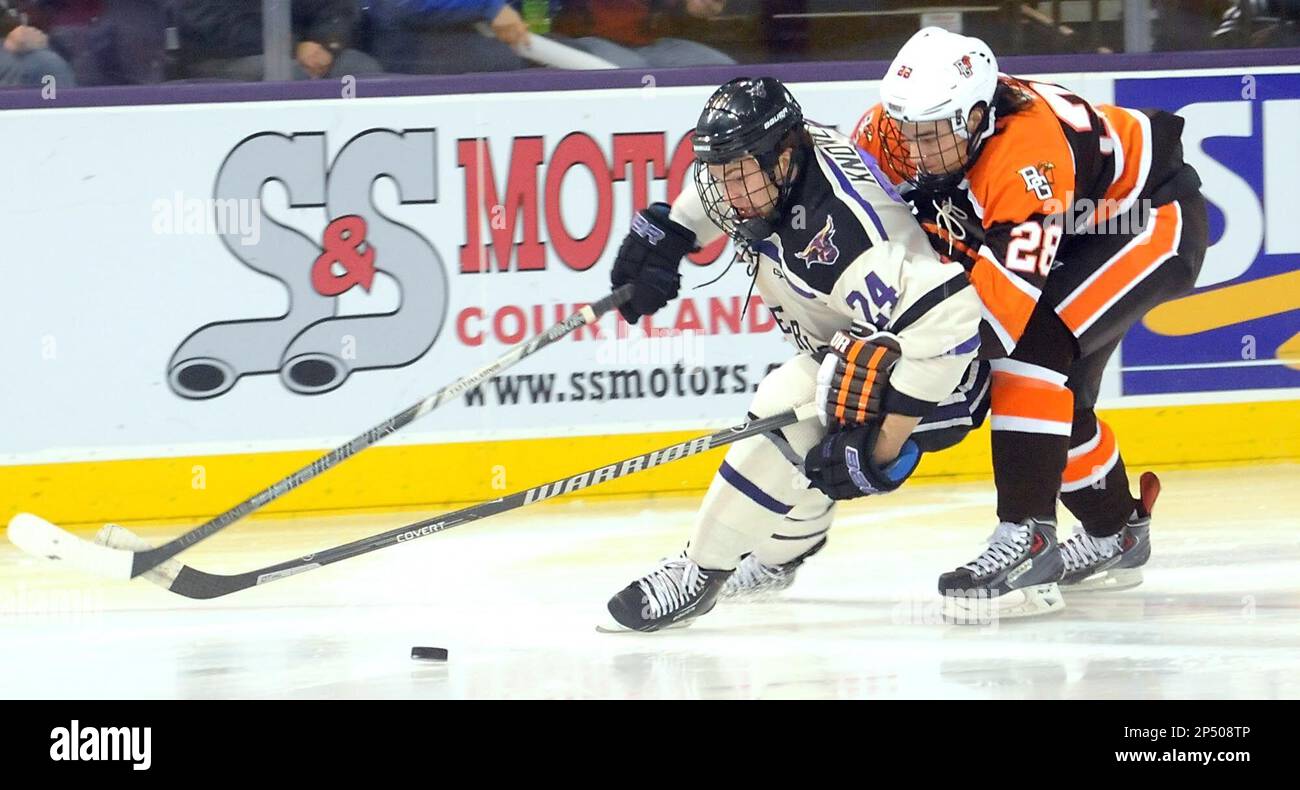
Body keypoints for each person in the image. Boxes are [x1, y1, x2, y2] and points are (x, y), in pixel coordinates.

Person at [601, 76, 985, 632]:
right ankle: (783, 553)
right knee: (794, 444)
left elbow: (949, 316)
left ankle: (697, 575)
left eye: (740, 173)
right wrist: (675, 231)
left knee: (785, 402)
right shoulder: (784, 161)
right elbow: (728, 186)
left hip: (938, 377)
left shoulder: (844, 234)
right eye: (719, 173)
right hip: (865, 347)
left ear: (783, 158)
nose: (727, 191)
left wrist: (885, 443)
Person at [854, 28, 1208, 619]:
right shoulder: (886, 133)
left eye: (934, 131)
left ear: (975, 114)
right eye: (906, 128)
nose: (915, 149)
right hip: (1072, 225)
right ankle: (1116, 531)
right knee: (1056, 401)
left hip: (1144, 220)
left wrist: (915, 373)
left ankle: (1028, 535)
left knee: (1027, 354)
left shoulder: (1024, 157)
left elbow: (995, 321)